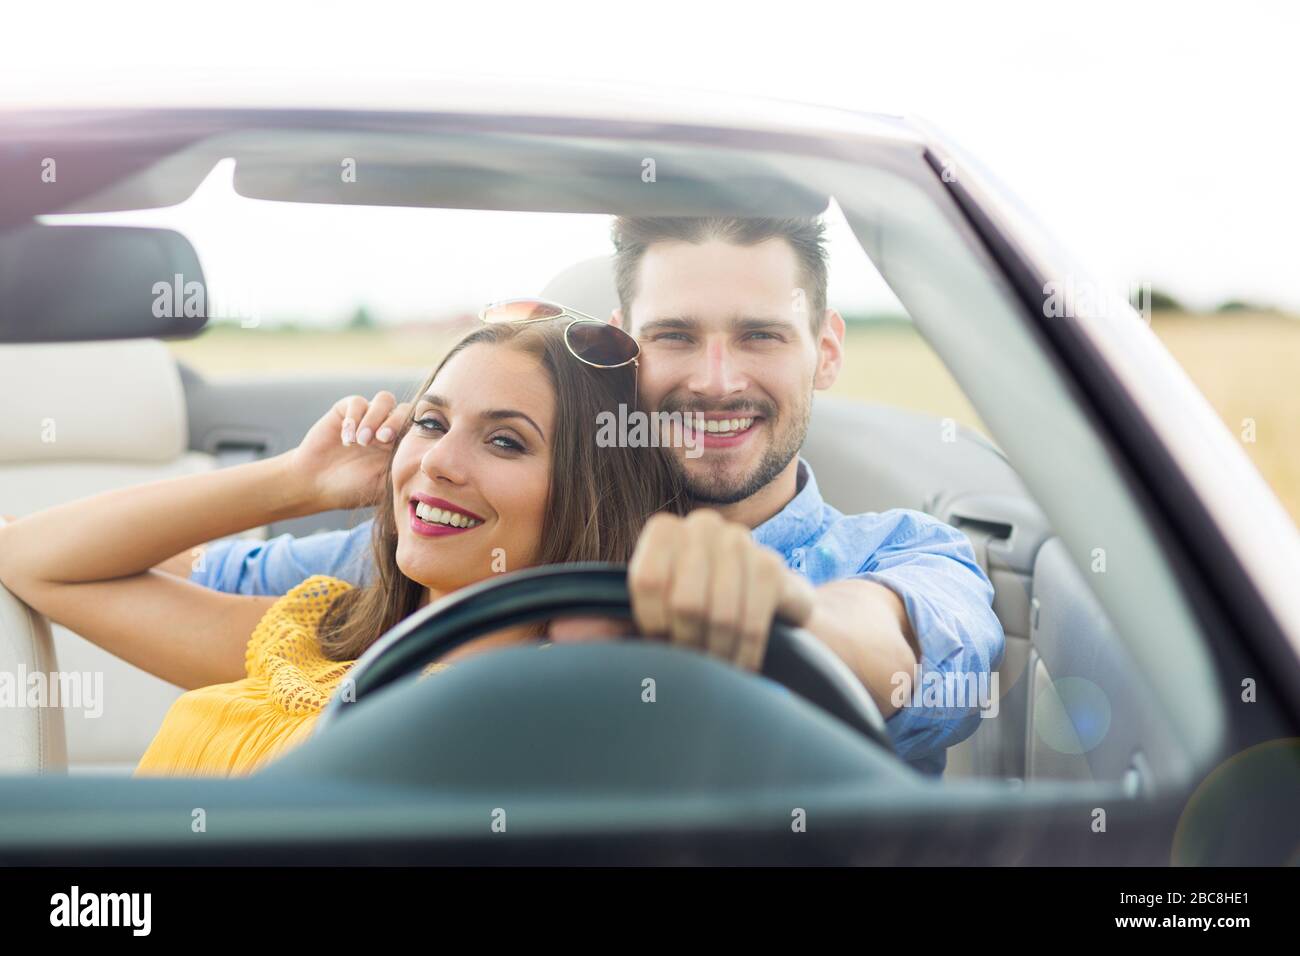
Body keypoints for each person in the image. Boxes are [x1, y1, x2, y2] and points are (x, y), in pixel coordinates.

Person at [175, 216, 1006, 776]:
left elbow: (911, 659)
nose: (716, 383)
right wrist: (290, 482)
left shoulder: (901, 553)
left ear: (824, 352)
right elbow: (192, 578)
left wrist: (788, 611)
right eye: (674, 336)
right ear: (623, 350)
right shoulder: (499, 542)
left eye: (761, 335)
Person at [0, 318, 686, 775]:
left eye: (505, 440)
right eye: (429, 422)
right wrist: (297, 482)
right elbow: (31, 560)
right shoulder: (315, 632)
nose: (439, 462)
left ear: (589, 494)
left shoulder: (551, 723)